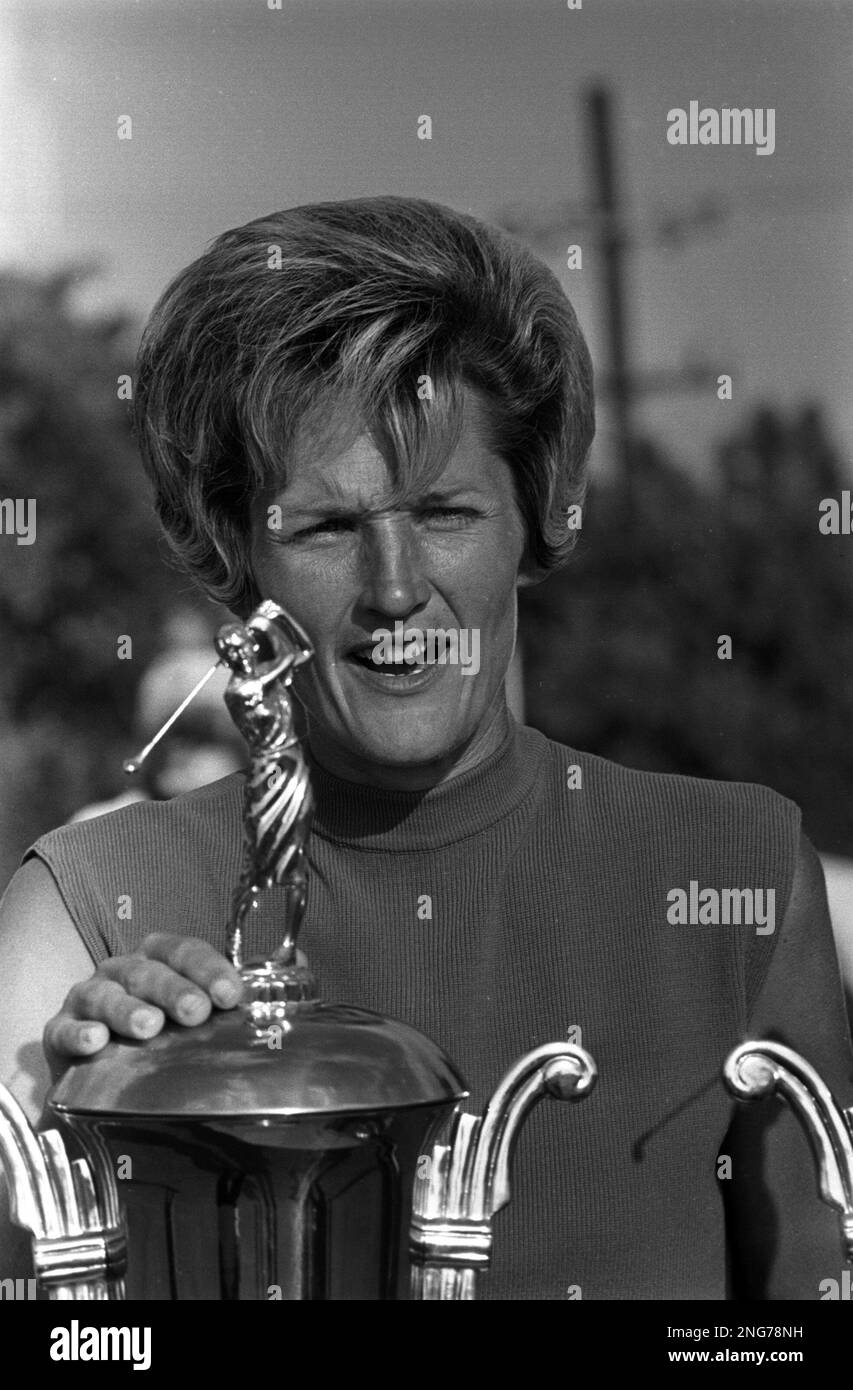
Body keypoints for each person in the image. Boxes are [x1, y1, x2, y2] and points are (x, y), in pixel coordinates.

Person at [1, 196, 851, 1300]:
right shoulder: (82, 912)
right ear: (234, 551)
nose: (397, 591)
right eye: (325, 528)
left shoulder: (738, 873)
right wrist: (86, 1139)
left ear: (535, 516)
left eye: (444, 511)